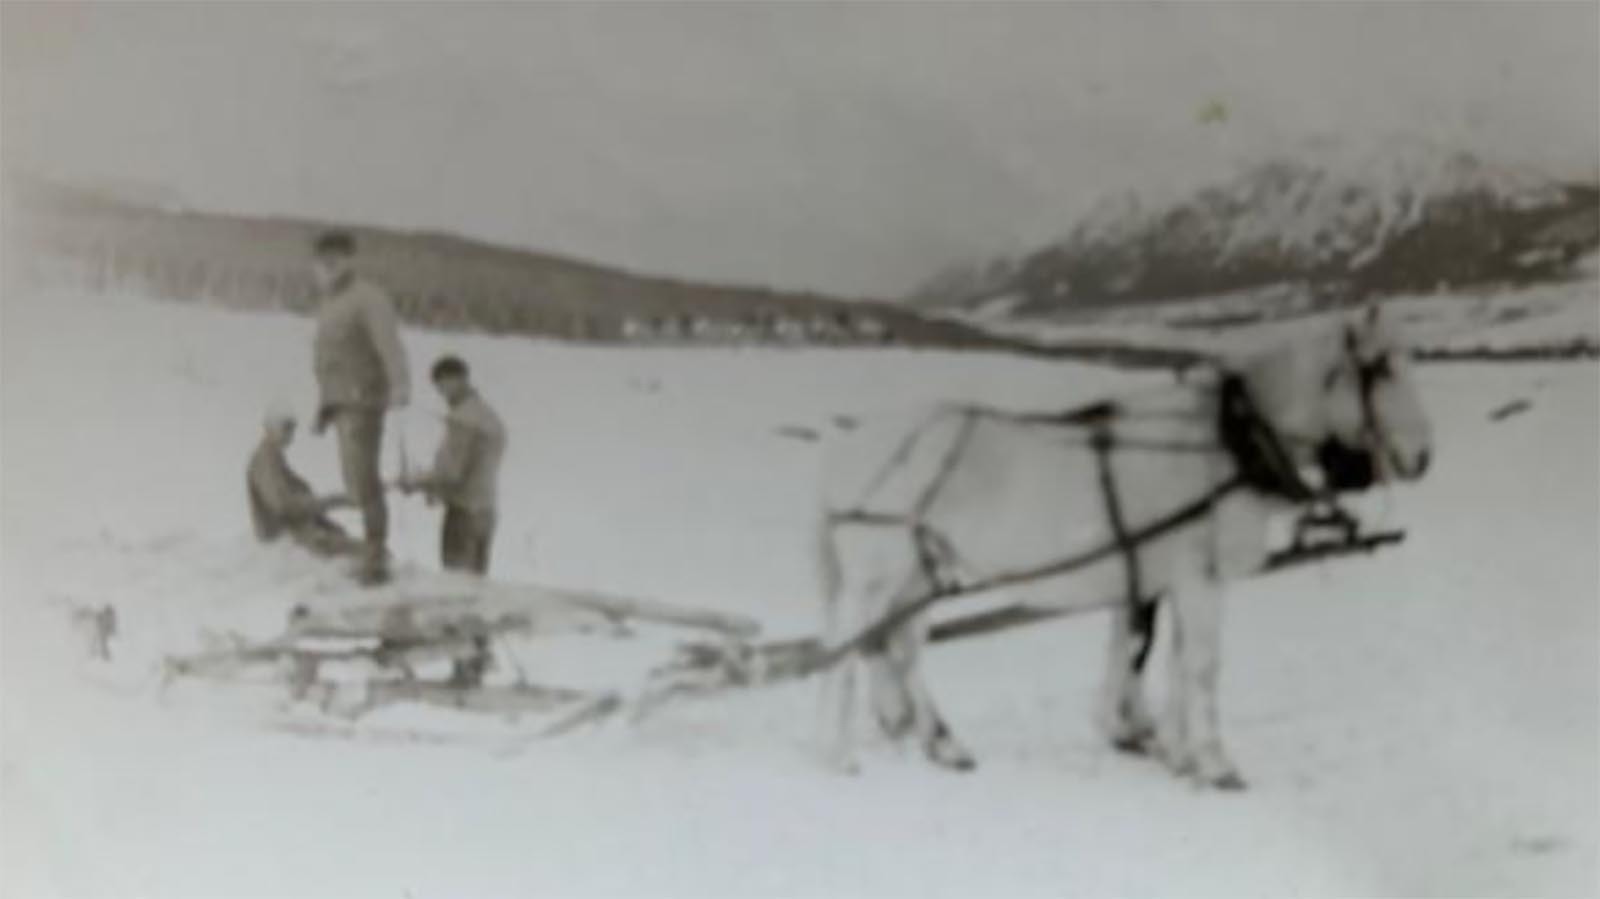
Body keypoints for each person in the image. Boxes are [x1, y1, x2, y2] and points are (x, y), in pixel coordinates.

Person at [308, 230, 410, 584]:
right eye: (323, 259)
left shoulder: (368, 298)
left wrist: (400, 384)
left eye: (337, 257)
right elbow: (329, 361)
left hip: (364, 401)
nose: (329, 265)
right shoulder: (329, 303)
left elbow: (389, 344)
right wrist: (324, 407)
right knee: (354, 480)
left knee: (364, 481)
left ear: (350, 260)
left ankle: (375, 553)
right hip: (341, 403)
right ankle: (371, 548)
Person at [399, 356, 507, 575]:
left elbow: (450, 473)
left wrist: (415, 482)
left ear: (456, 380)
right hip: (486, 512)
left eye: (442, 386)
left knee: (456, 585)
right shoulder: (489, 416)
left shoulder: (463, 420)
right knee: (477, 585)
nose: (441, 393)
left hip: (463, 514)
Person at [247, 404, 362, 558]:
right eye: (286, 428)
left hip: (299, 531)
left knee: (356, 545)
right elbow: (284, 505)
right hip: (287, 537)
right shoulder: (266, 460)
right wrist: (331, 502)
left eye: (292, 428)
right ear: (269, 428)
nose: (290, 434)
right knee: (366, 554)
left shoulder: (272, 458)